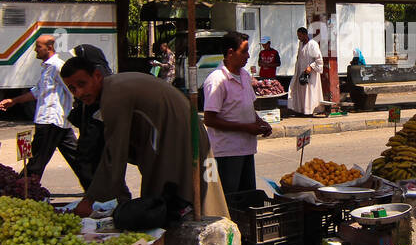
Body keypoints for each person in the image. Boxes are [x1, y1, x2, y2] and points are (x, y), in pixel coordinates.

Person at [60, 58, 229, 220]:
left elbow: (114, 155)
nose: (79, 93)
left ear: (97, 76)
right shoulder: (115, 87)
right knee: (183, 187)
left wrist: (89, 200)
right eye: (73, 89)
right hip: (180, 128)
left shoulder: (113, 94)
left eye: (82, 84)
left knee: (166, 199)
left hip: (176, 133)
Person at [0, 34, 81, 186]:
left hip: (51, 121)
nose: (36, 50)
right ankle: (96, 187)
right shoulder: (47, 68)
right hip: (57, 122)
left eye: (38, 47)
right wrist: (14, 101)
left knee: (37, 160)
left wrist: (78, 110)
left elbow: (73, 89)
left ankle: (24, 190)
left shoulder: (57, 66)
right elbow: (37, 91)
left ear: (49, 48)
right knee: (76, 159)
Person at [203, 32, 273, 203]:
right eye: (244, 51)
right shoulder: (216, 80)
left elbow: (248, 108)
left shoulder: (244, 76)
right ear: (230, 53)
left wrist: (260, 122)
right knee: (230, 201)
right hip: (227, 152)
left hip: (246, 148)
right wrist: (245, 127)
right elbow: (210, 120)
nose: (248, 56)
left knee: (247, 199)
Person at [69, 43, 111, 186]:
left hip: (96, 127)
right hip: (93, 126)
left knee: (91, 163)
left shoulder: (97, 73)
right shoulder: (98, 70)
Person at [289, 26, 324, 117]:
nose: (298, 38)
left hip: (311, 73)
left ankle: (310, 111)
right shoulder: (301, 44)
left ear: (305, 35)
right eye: (298, 36)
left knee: (310, 92)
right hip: (301, 72)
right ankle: (302, 109)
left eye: (300, 36)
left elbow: (318, 59)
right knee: (301, 91)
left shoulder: (313, 44)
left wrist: (311, 67)